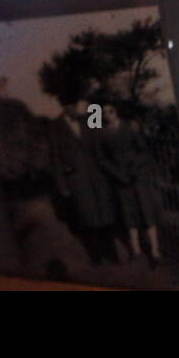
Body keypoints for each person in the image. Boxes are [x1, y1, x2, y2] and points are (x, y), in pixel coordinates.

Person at [48, 98, 117, 265]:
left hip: (96, 176)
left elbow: (100, 142)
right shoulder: (54, 127)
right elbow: (55, 159)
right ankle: (96, 256)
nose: (75, 108)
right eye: (71, 104)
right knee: (87, 219)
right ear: (64, 106)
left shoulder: (89, 120)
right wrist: (62, 185)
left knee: (105, 215)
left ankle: (112, 254)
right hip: (77, 180)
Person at [95, 101, 163, 265]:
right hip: (121, 180)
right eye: (104, 113)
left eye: (110, 111)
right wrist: (117, 174)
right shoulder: (102, 134)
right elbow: (102, 159)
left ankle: (154, 250)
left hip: (138, 176)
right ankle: (136, 250)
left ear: (116, 112)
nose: (107, 115)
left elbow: (144, 151)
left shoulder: (130, 128)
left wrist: (135, 167)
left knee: (145, 211)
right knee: (128, 213)